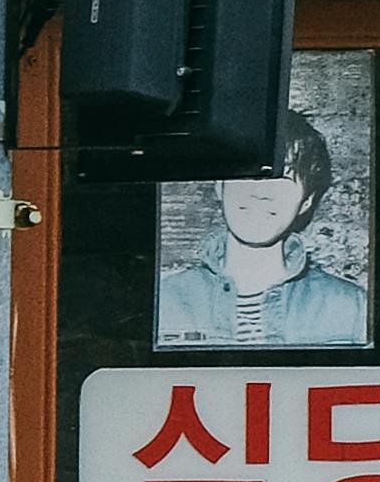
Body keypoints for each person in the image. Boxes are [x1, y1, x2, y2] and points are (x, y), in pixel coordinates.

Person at [152, 112, 367, 351]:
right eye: (250, 170)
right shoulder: (164, 301)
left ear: (306, 201)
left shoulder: (351, 308)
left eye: (282, 177)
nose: (261, 192)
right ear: (219, 186)